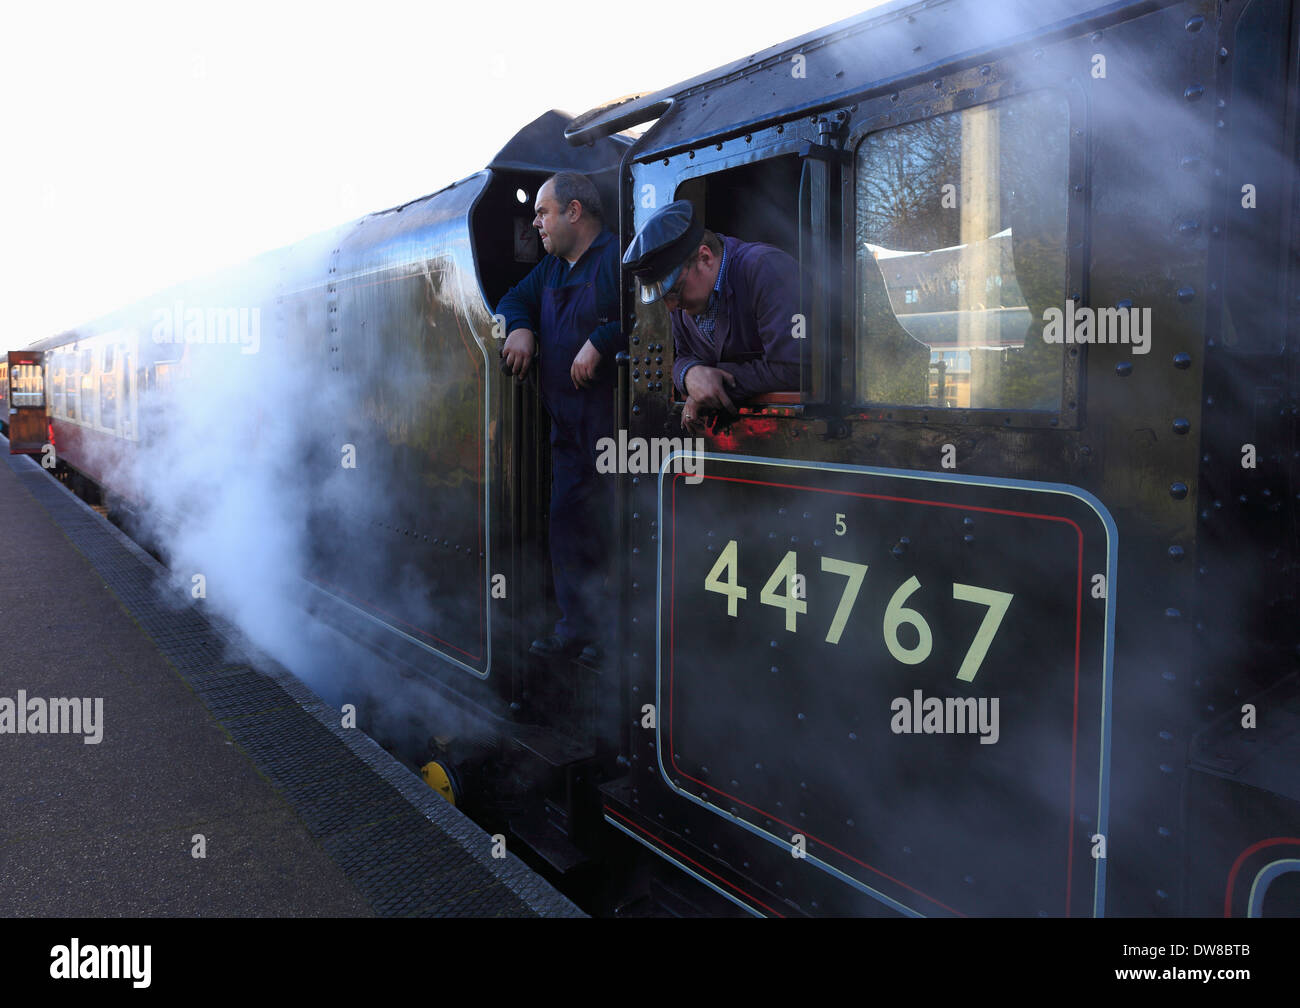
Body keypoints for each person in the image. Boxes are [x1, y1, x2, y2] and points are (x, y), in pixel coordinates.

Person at [497, 172, 622, 664]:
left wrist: (602, 340)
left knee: (615, 530)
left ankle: (615, 638)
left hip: (613, 428)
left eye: (543, 212)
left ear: (574, 212)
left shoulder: (616, 257)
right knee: (569, 527)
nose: (536, 223)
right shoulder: (549, 271)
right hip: (567, 432)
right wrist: (522, 327)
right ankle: (577, 627)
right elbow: (512, 300)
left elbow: (641, 317)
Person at [622, 200, 801, 435]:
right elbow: (683, 355)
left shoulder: (764, 269)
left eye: (674, 291)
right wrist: (689, 375)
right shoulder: (682, 301)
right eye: (663, 297)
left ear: (704, 258)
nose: (671, 306)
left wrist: (711, 385)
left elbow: (794, 367)